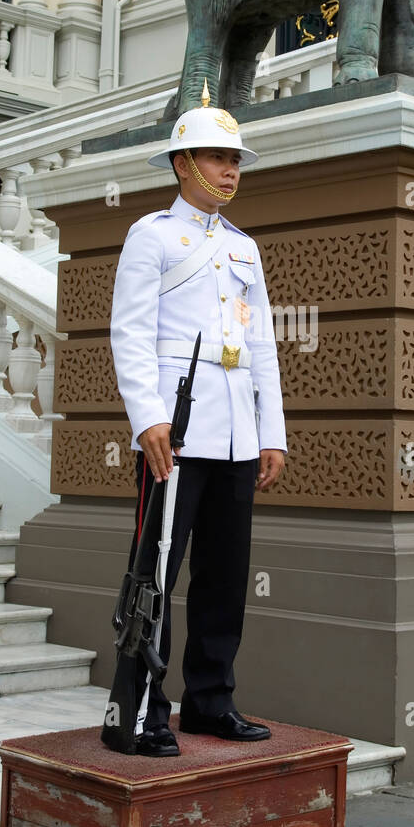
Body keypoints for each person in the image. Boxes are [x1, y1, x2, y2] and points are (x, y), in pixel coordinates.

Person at [110, 82, 287, 756]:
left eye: (235, 158)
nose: (231, 169)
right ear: (183, 164)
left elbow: (262, 343)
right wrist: (147, 418)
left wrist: (272, 433)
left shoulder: (245, 248)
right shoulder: (150, 236)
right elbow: (129, 332)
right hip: (174, 435)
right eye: (216, 158)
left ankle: (211, 701)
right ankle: (142, 708)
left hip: (237, 433)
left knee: (224, 574)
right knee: (155, 572)